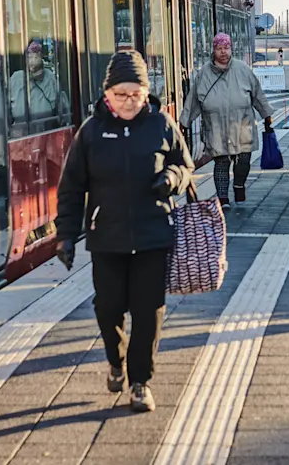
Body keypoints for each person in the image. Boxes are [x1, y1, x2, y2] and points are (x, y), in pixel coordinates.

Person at [55, 50, 193, 414]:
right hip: (108, 239)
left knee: (149, 312)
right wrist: (65, 235)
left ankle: (139, 382)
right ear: (107, 95)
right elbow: (71, 188)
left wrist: (172, 178)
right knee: (108, 308)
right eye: (121, 95)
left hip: (153, 236)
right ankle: (115, 360)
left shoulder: (162, 124)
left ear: (146, 93)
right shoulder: (91, 132)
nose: (130, 102)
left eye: (137, 94)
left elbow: (185, 165)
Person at [180, 32, 273, 207]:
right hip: (215, 126)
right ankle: (222, 199)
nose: (223, 52)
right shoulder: (203, 74)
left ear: (231, 49)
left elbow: (257, 94)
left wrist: (267, 115)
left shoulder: (243, 69)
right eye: (219, 48)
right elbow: (193, 100)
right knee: (221, 162)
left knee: (243, 159)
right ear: (214, 51)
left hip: (242, 125)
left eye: (226, 48)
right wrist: (184, 121)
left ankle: (239, 185)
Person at [8, 40, 69, 124]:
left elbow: (62, 109)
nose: (32, 61)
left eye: (36, 57)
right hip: (21, 130)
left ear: (41, 58)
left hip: (46, 129)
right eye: (30, 57)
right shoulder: (16, 79)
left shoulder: (50, 78)